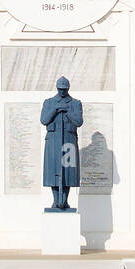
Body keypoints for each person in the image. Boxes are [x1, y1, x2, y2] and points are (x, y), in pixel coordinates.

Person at [40, 77, 83, 211]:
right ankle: (55, 201)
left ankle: (64, 201)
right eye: (60, 89)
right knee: (53, 171)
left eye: (64, 89)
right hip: (53, 143)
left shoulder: (76, 103)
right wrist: (56, 109)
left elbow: (79, 122)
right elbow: (44, 120)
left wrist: (67, 111)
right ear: (56, 88)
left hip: (68, 142)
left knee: (68, 171)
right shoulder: (49, 102)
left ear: (68, 88)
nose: (62, 92)